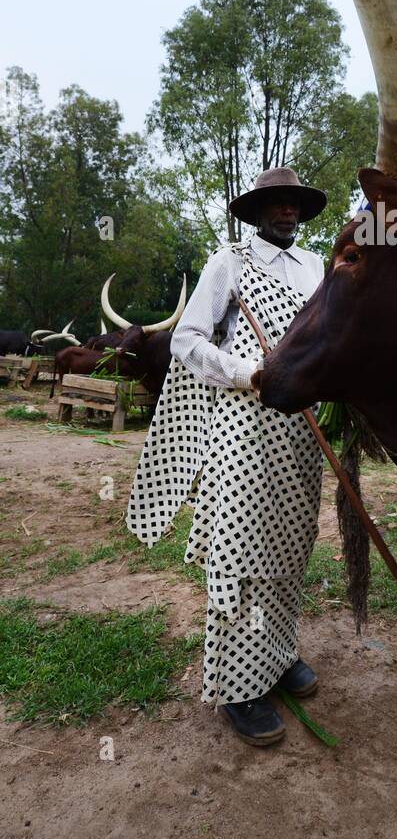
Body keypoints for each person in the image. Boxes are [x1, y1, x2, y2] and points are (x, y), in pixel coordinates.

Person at [126, 167, 327, 746]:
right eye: (275, 204)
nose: (285, 212)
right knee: (241, 550)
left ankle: (279, 653)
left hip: (300, 435)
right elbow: (188, 340)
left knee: (290, 547)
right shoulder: (229, 262)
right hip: (242, 429)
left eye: (293, 205)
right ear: (256, 210)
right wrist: (248, 373)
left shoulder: (316, 269)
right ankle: (239, 687)